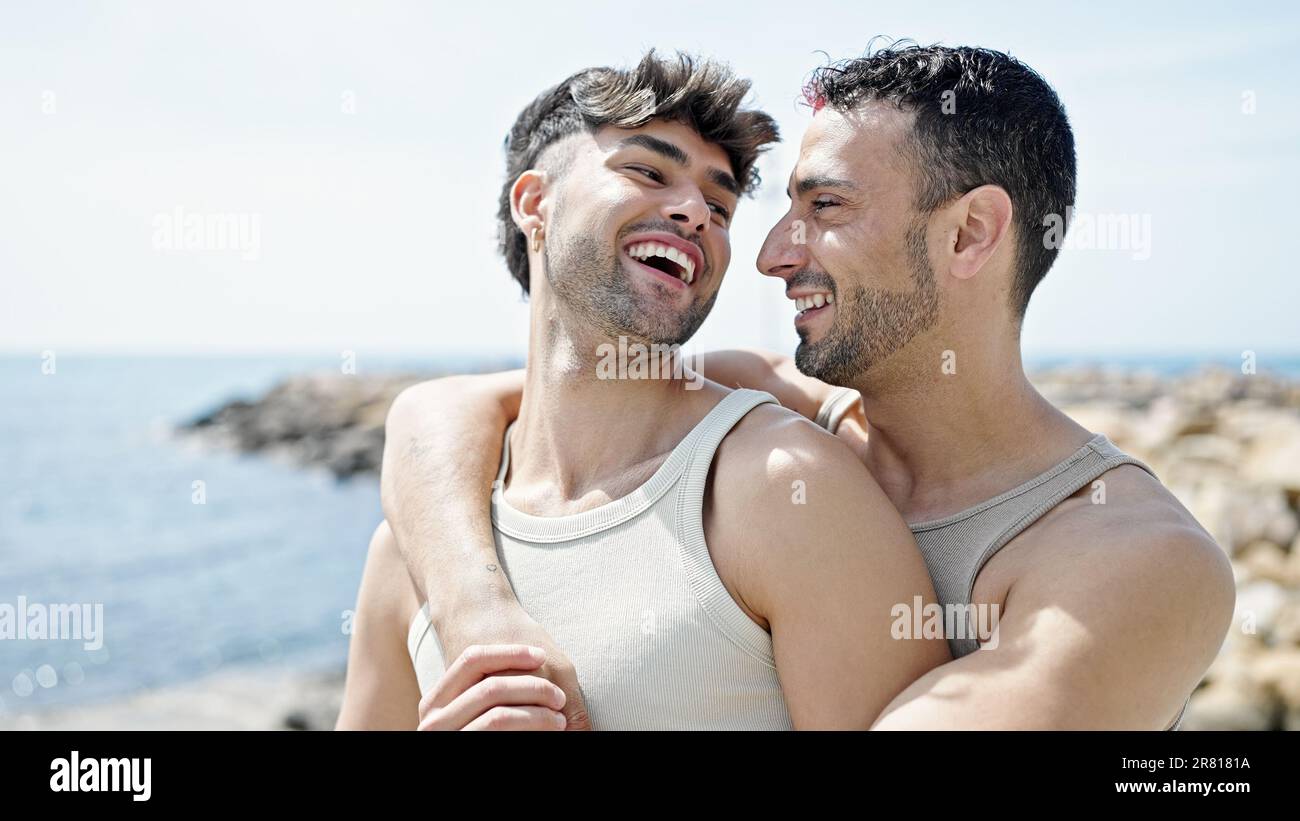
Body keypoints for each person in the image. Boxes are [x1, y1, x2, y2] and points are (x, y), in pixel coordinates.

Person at [375, 43, 1236, 731]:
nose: (769, 253)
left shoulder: (1133, 557)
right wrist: (478, 615)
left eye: (824, 208)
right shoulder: (782, 406)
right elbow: (448, 409)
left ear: (970, 233)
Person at [335, 50, 948, 731]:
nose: (694, 213)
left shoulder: (783, 487)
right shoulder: (412, 551)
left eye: (719, 205)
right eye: (648, 172)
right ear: (534, 203)